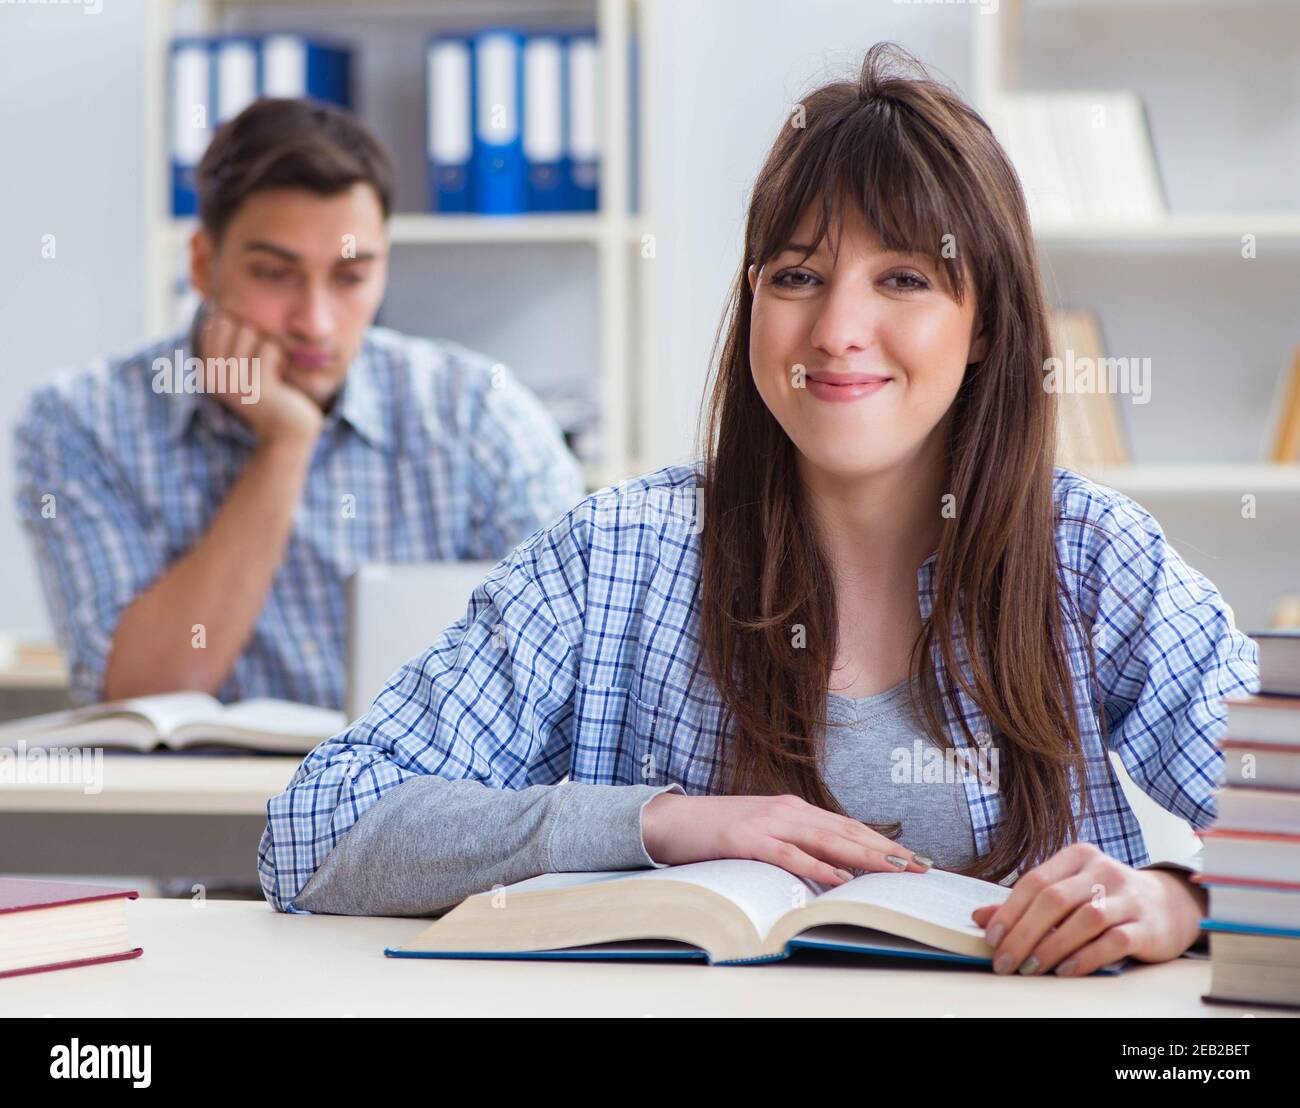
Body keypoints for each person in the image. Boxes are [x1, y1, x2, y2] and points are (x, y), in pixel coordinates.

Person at [258, 45, 1258, 979]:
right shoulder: (614, 554)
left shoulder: (1090, 558)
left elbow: (1284, 827)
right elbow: (312, 830)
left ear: (985, 317)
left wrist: (1181, 899)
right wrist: (656, 823)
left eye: (902, 278)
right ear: (752, 302)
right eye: (797, 277)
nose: (836, 330)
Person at [14, 98, 585, 710]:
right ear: (204, 265)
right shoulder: (80, 421)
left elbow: (568, 676)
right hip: (191, 804)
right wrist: (285, 444)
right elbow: (142, 693)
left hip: (419, 804)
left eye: (350, 277)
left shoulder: (476, 412)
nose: (314, 323)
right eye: (274, 274)